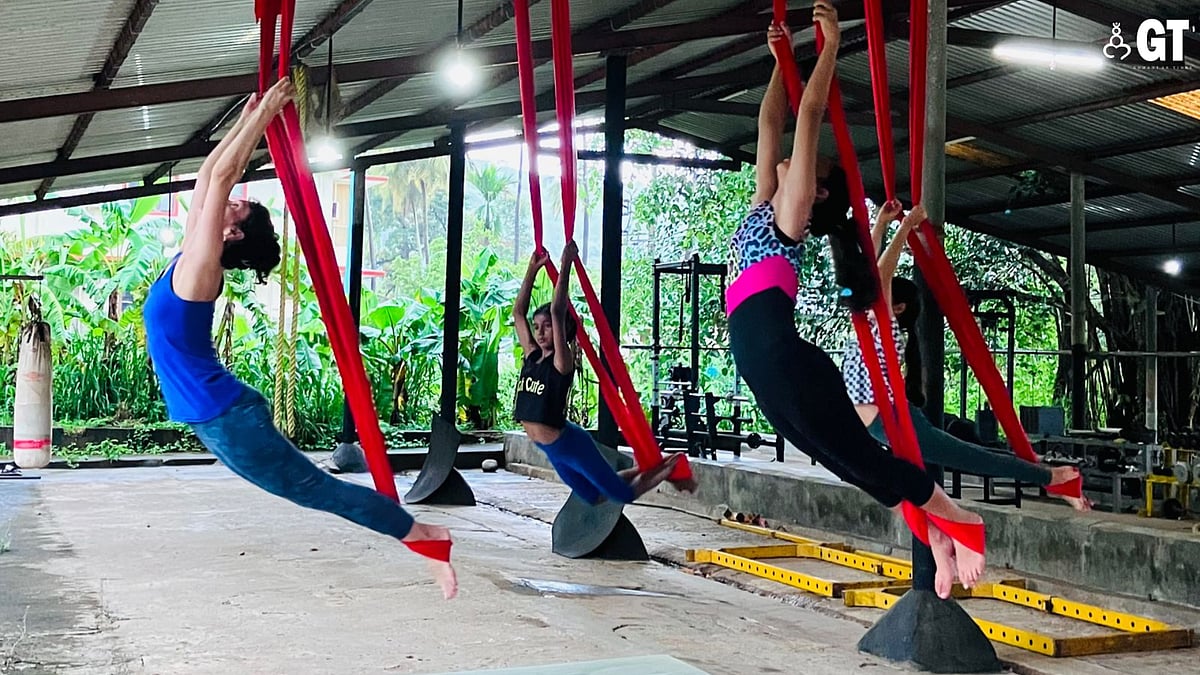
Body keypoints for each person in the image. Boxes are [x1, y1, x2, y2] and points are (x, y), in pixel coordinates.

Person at [142, 79, 457, 600]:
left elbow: (221, 175)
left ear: (232, 234)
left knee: (314, 489)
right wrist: (247, 119)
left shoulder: (201, 270)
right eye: (238, 202)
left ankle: (425, 538)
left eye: (237, 208)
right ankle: (422, 538)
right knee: (310, 489)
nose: (232, 199)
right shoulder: (191, 256)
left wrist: (268, 112)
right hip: (221, 415)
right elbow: (209, 176)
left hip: (226, 417)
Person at [725, 2, 985, 600]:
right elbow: (771, 123)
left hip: (789, 366)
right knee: (850, 465)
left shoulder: (790, 217)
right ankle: (936, 538)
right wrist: (779, 60)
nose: (786, 158)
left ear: (815, 193)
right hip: (767, 373)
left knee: (863, 461)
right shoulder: (767, 203)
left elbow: (810, 110)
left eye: (805, 167)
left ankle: (959, 524)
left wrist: (832, 44)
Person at [840, 201, 1091, 515]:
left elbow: (880, 274)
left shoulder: (886, 328)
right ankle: (1052, 479)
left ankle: (1054, 478)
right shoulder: (866, 321)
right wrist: (881, 222)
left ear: (899, 308)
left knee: (972, 457)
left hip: (892, 423)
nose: (872, 294)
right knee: (955, 463)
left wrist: (903, 228)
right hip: (881, 423)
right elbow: (868, 273)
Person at [514, 241, 683, 505]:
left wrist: (566, 264)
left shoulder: (561, 363)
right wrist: (531, 269)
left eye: (546, 327)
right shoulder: (532, 357)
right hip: (550, 448)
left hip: (569, 444)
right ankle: (645, 467)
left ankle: (669, 467)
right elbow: (518, 313)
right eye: (538, 327)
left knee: (622, 495)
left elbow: (559, 312)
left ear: (560, 331)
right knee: (593, 496)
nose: (540, 332)